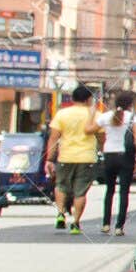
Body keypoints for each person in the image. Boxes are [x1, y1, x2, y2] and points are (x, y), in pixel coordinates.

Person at [46, 85, 103, 234]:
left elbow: (53, 138)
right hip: (87, 157)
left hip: (65, 156)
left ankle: (60, 213)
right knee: (80, 192)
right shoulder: (96, 115)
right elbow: (102, 136)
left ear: (73, 98)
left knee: (60, 186)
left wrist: (49, 159)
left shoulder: (62, 114)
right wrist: (102, 149)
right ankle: (76, 223)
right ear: (88, 99)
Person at [97, 92, 136, 235]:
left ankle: (105, 224)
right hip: (125, 157)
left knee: (109, 191)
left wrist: (101, 144)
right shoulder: (133, 118)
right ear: (131, 104)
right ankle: (119, 227)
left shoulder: (105, 117)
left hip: (109, 155)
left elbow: (91, 129)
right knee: (124, 192)